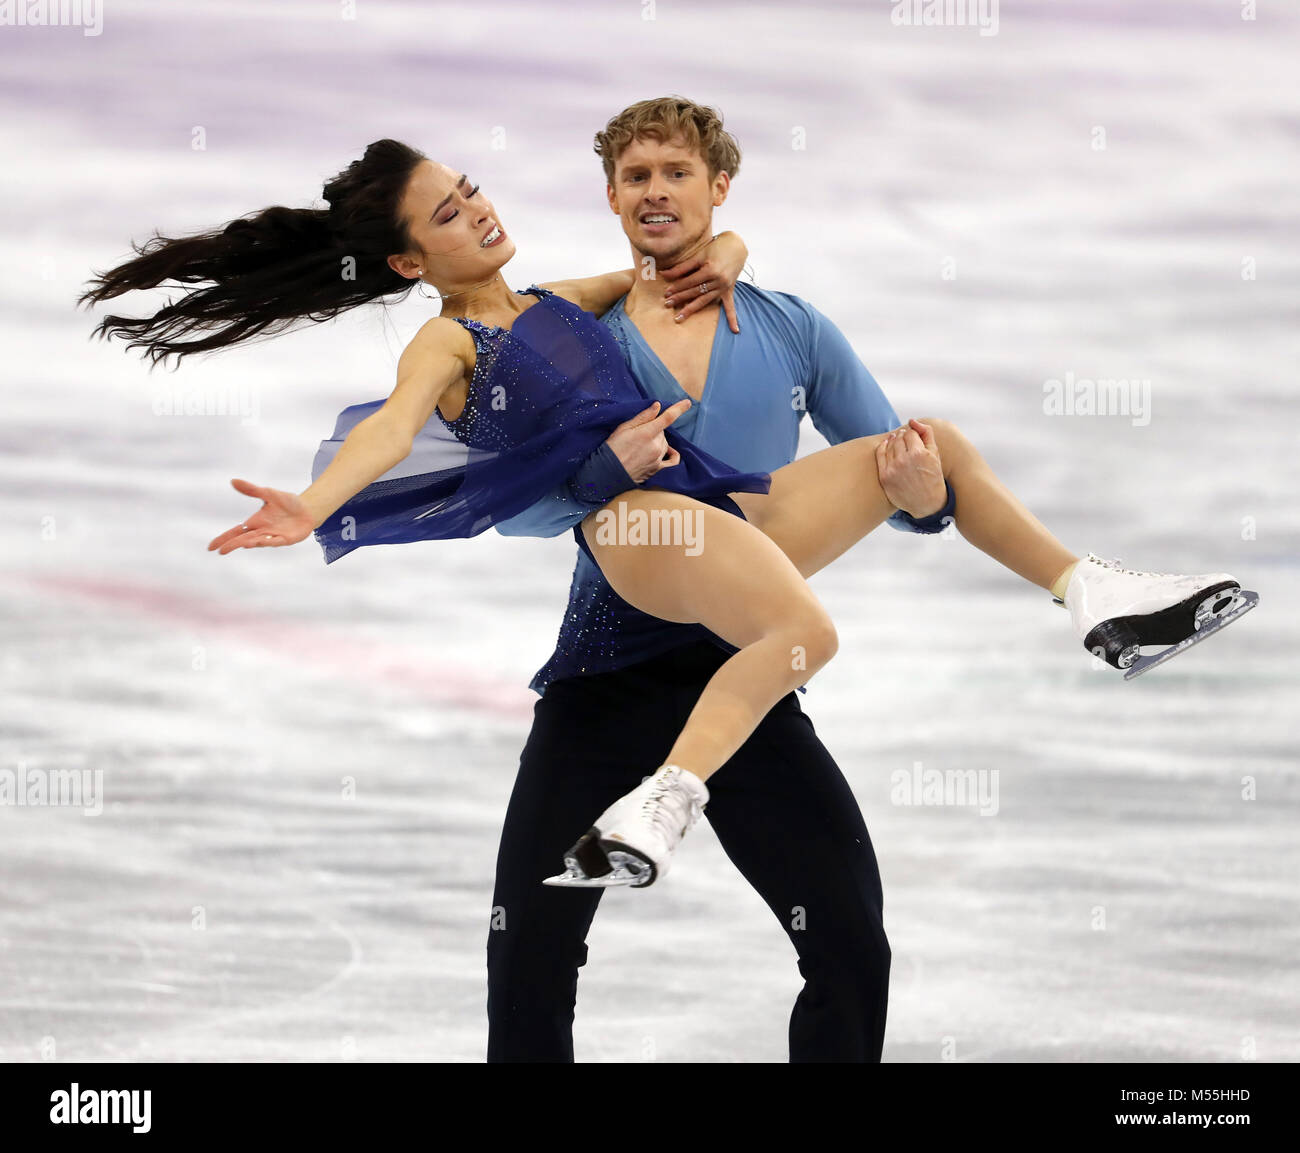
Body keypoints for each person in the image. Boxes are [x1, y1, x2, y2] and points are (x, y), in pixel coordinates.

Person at [79, 112, 1245, 1062]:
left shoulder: (561, 301)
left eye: (471, 186)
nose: (477, 208)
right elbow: (390, 430)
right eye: (447, 212)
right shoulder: (448, 344)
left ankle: (1088, 592)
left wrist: (734, 263)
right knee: (536, 951)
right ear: (407, 260)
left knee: (849, 929)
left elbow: (678, 266)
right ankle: (666, 796)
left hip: (719, 564)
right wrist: (316, 503)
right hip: (631, 564)